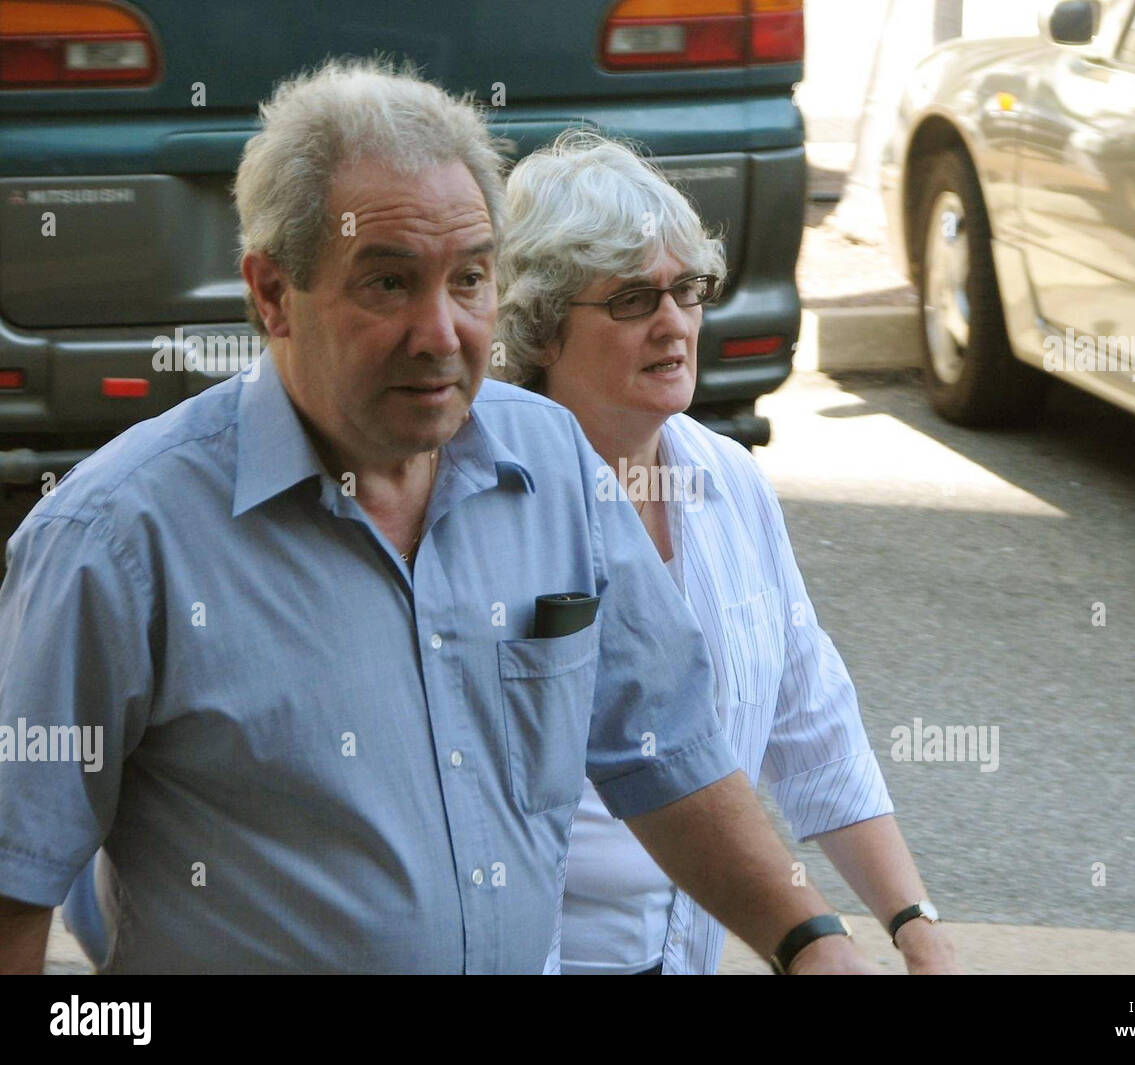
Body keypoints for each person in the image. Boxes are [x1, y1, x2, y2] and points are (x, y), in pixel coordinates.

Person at [0, 59, 870, 975]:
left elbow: (669, 750)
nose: (442, 332)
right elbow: (17, 879)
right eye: (389, 283)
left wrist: (809, 941)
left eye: (470, 279)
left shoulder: (552, 464)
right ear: (272, 294)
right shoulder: (114, 541)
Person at [496, 131, 960, 975]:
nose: (674, 322)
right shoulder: (493, 507)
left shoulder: (728, 480)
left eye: (688, 290)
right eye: (633, 298)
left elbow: (810, 718)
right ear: (543, 327)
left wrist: (914, 923)